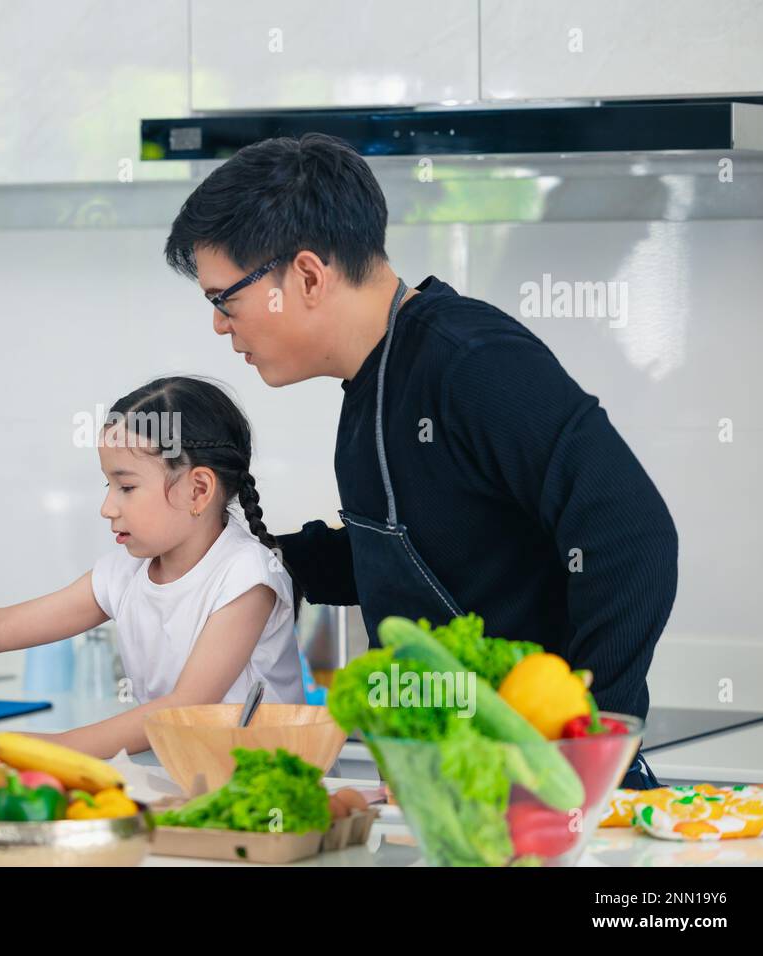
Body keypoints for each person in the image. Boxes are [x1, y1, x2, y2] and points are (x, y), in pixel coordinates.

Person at [163, 133, 678, 789]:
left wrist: (587, 746)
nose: (220, 325)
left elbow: (630, 533)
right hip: (463, 784)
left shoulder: (471, 360)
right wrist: (237, 560)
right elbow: (414, 552)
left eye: (222, 298)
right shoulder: (372, 387)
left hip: (544, 792)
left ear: (309, 276)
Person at [0, 377, 305, 759]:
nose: (107, 508)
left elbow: (184, 707)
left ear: (198, 490)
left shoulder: (245, 574)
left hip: (275, 793)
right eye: (106, 486)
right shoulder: (122, 575)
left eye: (126, 487)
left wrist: (50, 749)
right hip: (194, 782)